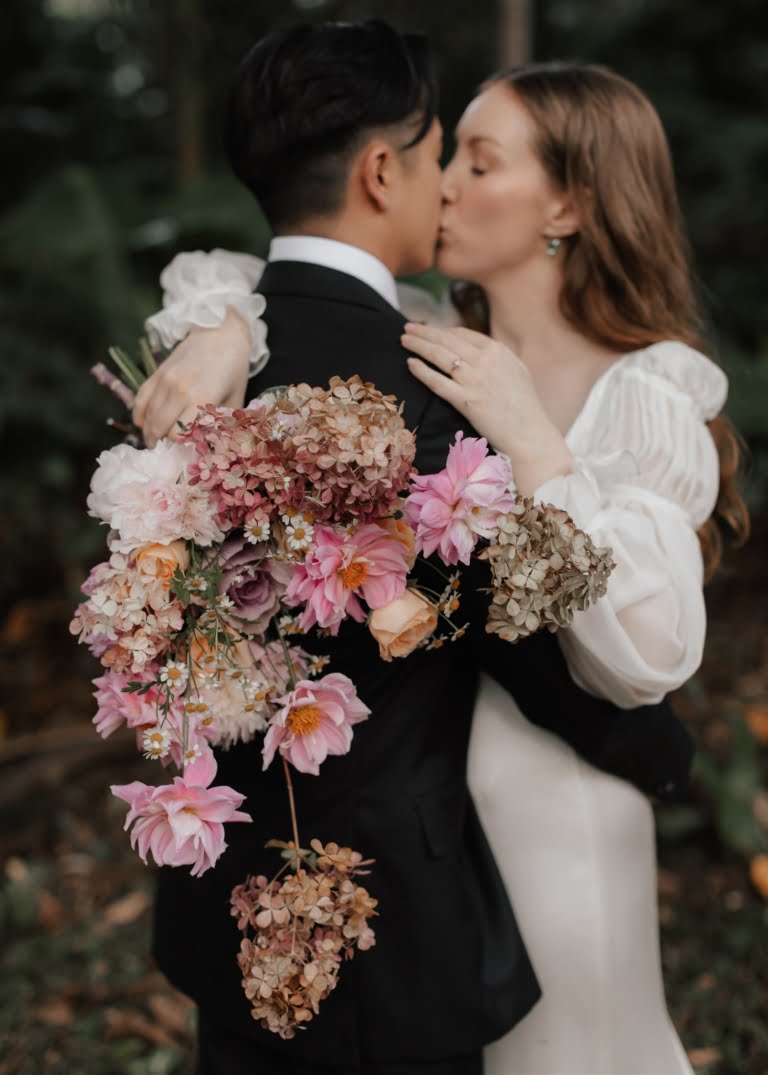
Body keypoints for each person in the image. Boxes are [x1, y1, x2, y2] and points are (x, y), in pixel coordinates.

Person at [135, 25, 700, 1075]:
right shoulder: (420, 404)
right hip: (384, 900)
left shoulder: (191, 369)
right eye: (449, 154)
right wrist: (664, 755)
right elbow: (525, 643)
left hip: (227, 873)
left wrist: (228, 328)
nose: (448, 186)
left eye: (479, 163)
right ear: (382, 172)